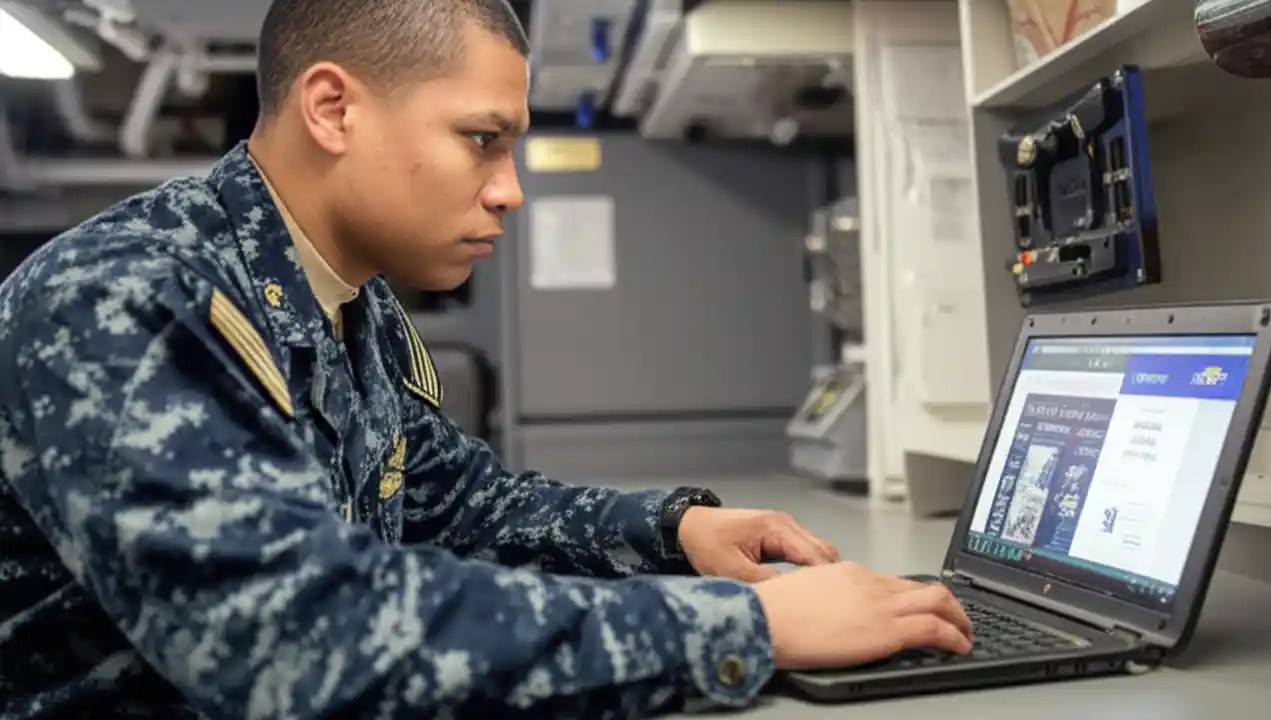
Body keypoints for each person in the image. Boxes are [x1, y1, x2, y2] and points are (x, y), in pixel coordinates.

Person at [0, 0, 973, 717]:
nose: (509, 192)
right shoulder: (127, 296)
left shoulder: (355, 303)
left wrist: (673, 531)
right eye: (480, 140)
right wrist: (748, 630)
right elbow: (290, 639)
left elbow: (455, 507)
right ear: (333, 109)